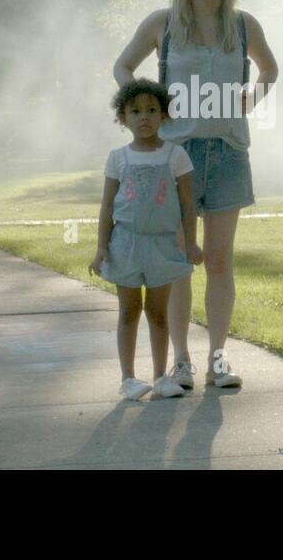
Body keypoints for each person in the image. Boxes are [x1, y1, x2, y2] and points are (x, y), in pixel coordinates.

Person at [112, 0, 279, 390]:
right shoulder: (162, 24)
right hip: (175, 157)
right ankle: (182, 362)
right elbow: (123, 68)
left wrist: (251, 98)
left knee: (220, 260)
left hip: (227, 152)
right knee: (180, 261)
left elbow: (270, 69)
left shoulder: (243, 25)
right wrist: (146, 112)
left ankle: (218, 360)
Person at [89, 79, 205, 400]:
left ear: (164, 115)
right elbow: (107, 206)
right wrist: (101, 249)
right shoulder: (118, 158)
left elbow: (186, 204)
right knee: (129, 311)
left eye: (152, 110)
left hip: (163, 246)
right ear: (122, 118)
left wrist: (192, 243)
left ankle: (160, 377)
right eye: (135, 111)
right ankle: (128, 379)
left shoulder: (175, 156)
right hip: (125, 245)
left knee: (157, 312)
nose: (144, 117)